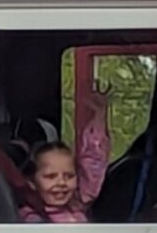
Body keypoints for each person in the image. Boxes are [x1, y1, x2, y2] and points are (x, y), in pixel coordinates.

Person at [18, 89, 110, 223]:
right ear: (32, 182)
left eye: (69, 176)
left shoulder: (77, 205)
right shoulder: (30, 217)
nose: (61, 183)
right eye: (51, 176)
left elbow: (94, 160)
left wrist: (99, 118)